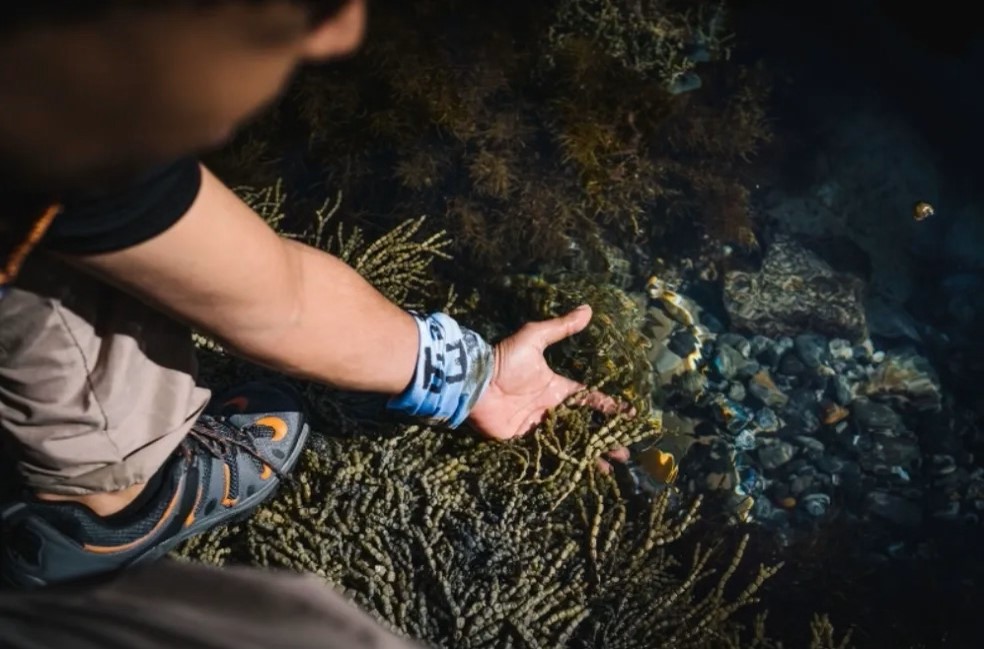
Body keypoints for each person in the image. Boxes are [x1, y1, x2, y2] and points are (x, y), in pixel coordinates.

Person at [0, 1, 622, 646]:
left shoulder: (46, 93)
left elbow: (270, 290)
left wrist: (474, 379)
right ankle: (110, 515)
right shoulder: (53, 141)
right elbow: (278, 305)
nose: (343, 34)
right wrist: (470, 379)